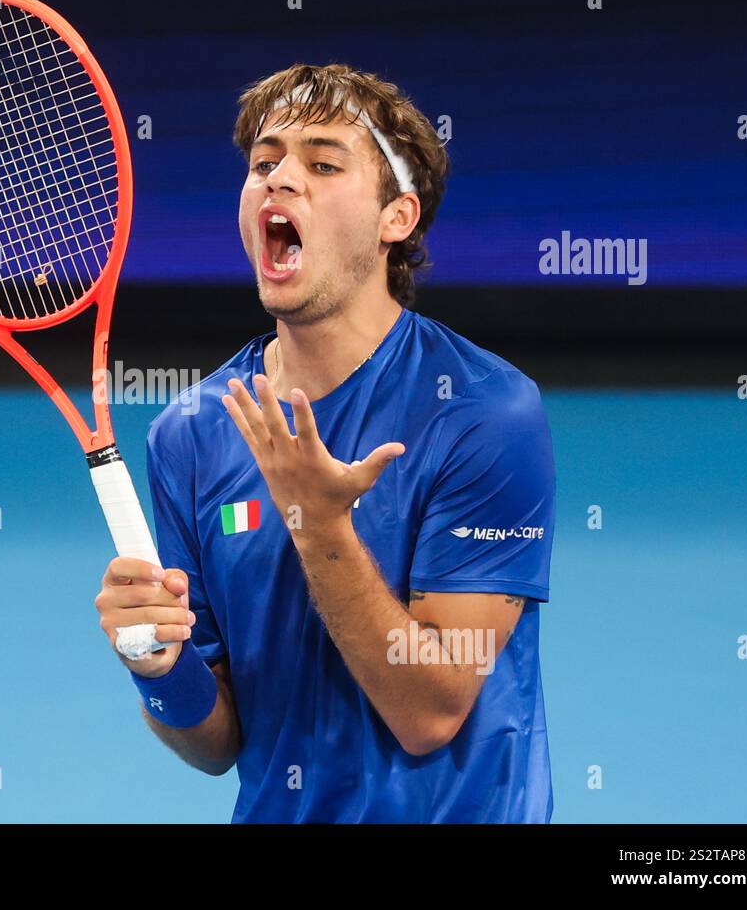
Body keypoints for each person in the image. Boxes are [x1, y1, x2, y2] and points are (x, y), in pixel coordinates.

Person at [93, 63, 556, 822]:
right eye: (264, 162)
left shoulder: (484, 413)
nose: (280, 179)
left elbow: (430, 710)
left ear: (395, 218)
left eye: (322, 162)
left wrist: (319, 523)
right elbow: (217, 742)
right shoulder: (190, 434)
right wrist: (156, 661)